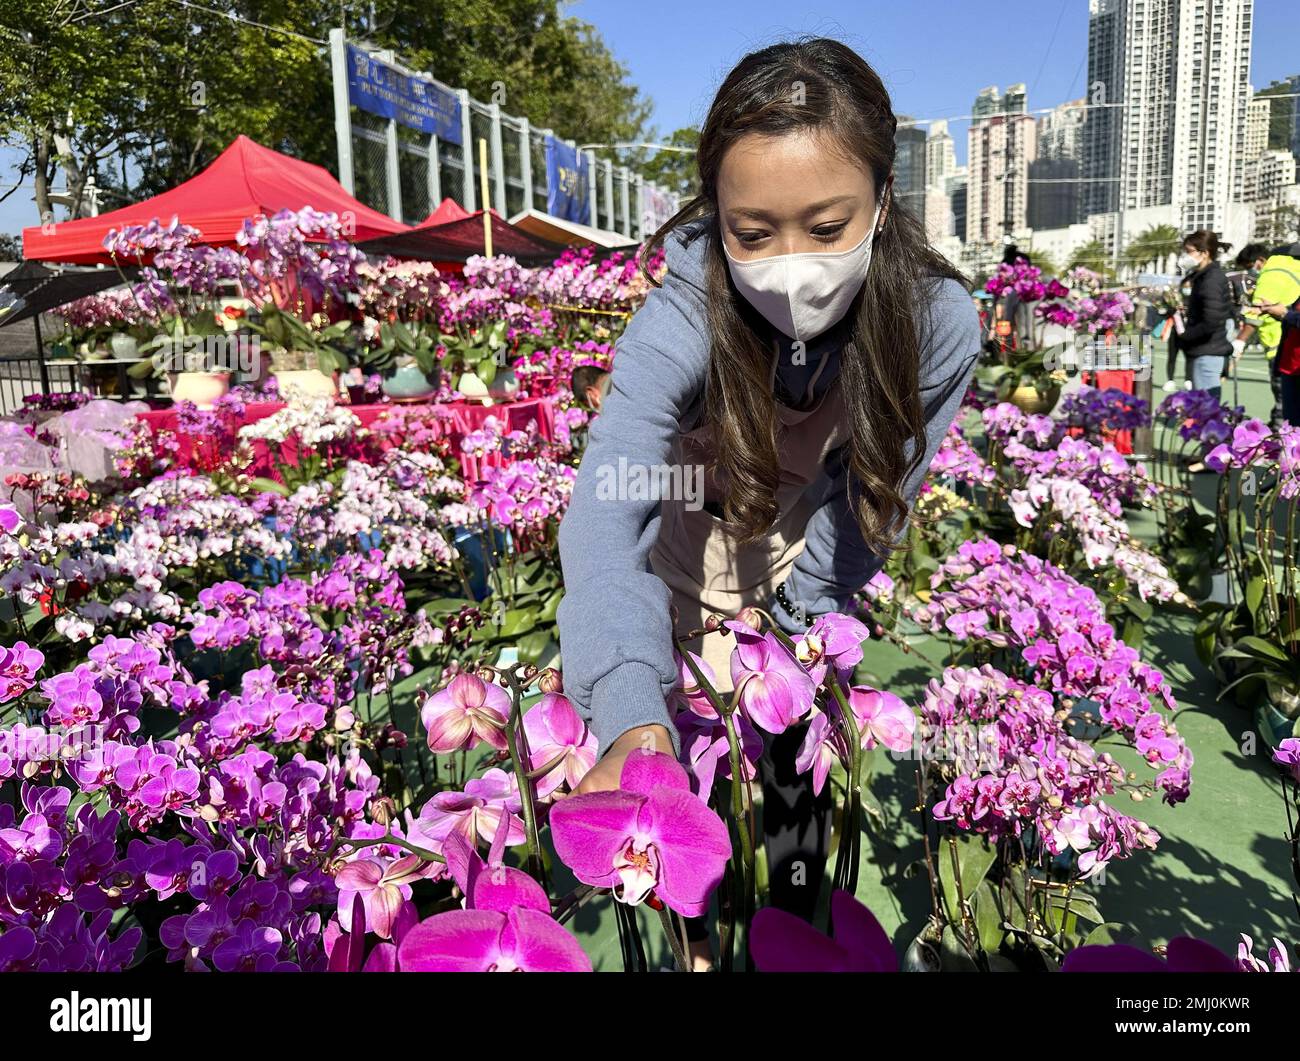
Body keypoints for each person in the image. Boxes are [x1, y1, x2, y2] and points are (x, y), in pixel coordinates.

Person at [555, 39, 979, 968]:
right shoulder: (680, 318)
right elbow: (604, 513)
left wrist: (789, 625)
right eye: (753, 234)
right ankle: (697, 947)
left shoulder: (935, 322)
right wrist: (632, 705)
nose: (793, 264)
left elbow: (876, 493)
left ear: (882, 196)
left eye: (828, 227)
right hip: (672, 562)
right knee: (675, 825)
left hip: (794, 570)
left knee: (794, 818)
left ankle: (789, 935)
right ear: (716, 216)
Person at [1234, 241, 1300, 427]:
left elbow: (1255, 316)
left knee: (1287, 413)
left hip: (1283, 351)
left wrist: (1240, 341)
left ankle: (1281, 440)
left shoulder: (1271, 274)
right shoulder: (1289, 271)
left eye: (1249, 267)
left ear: (1261, 260)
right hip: (1288, 351)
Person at [1170, 230, 1235, 404]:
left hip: (1208, 350)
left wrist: (1186, 336)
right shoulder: (1200, 276)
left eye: (1189, 251)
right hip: (1203, 350)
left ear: (1204, 253)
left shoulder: (1211, 279)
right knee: (1202, 408)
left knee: (1207, 411)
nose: (1185, 256)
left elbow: (1212, 320)